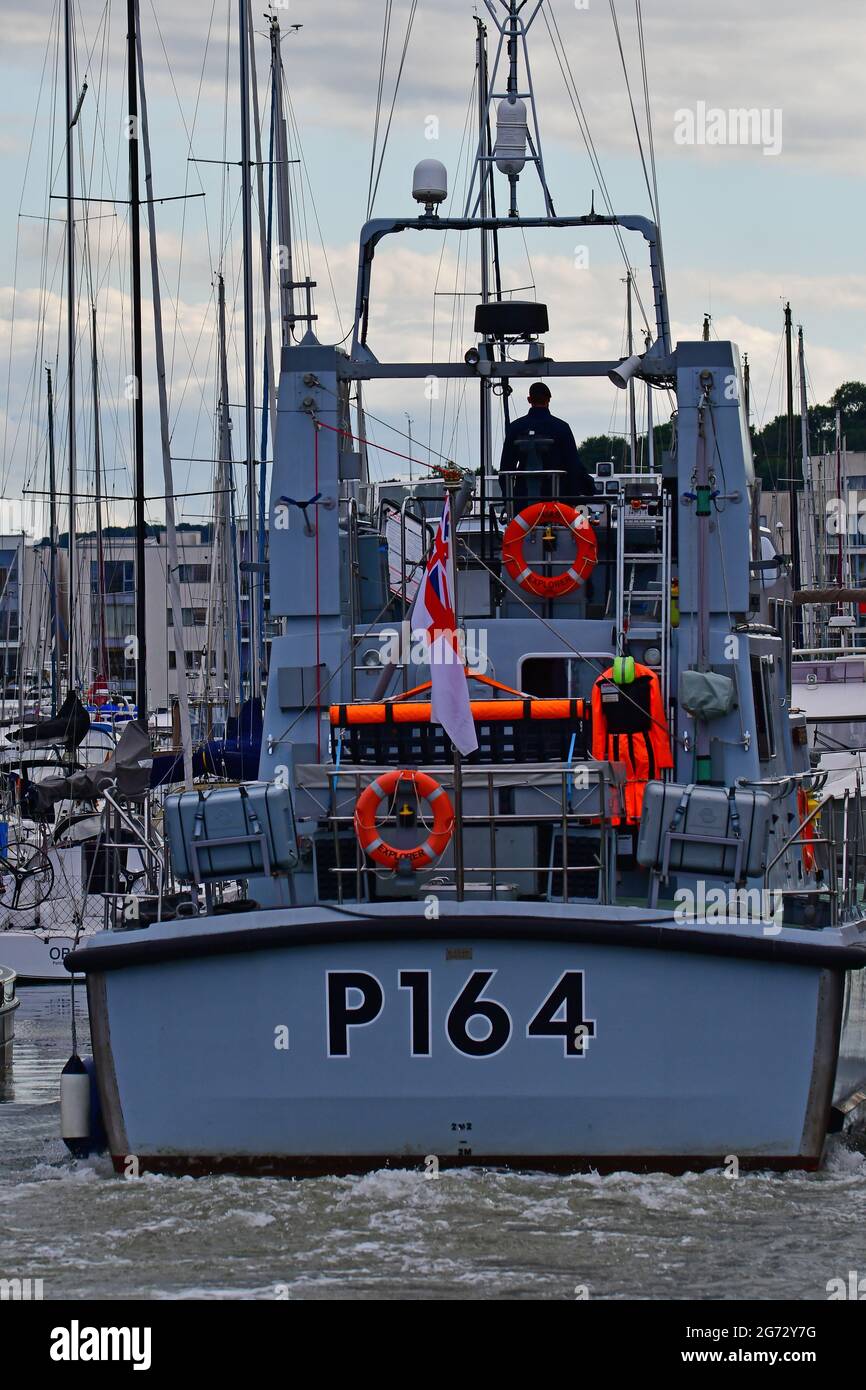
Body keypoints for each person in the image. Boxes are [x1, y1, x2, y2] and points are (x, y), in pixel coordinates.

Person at [498, 382, 594, 506]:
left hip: (522, 500)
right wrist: (584, 490)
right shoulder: (562, 427)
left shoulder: (515, 427)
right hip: (557, 498)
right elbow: (573, 464)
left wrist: (508, 499)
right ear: (548, 400)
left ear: (529, 399)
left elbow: (506, 466)